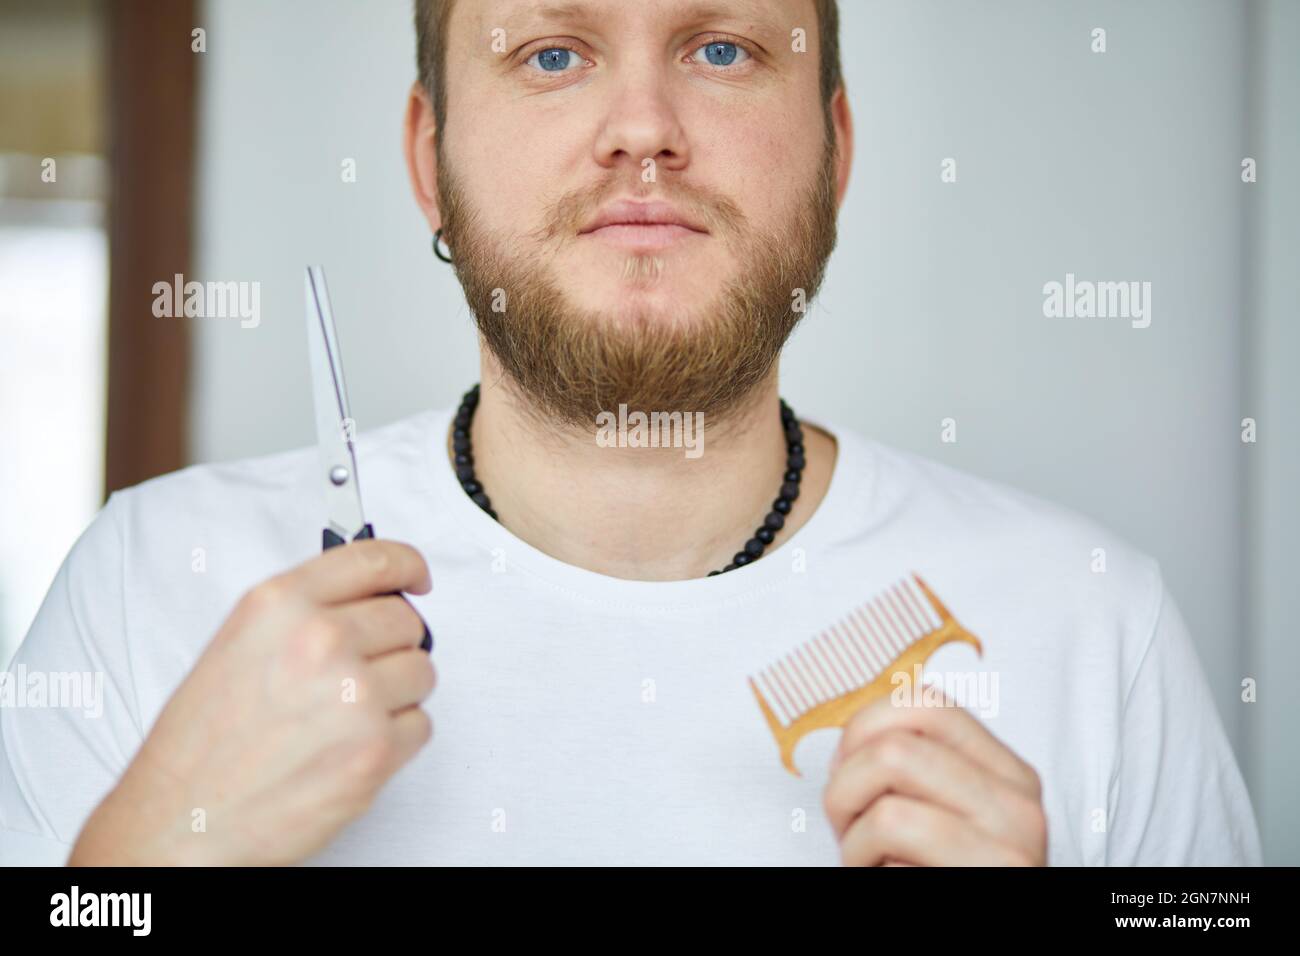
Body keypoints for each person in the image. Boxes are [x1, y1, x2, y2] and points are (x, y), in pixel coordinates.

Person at [0, 0, 1260, 866]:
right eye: (553, 52)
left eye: (719, 48)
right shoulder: (148, 585)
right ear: (429, 159)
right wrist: (163, 843)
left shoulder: (1099, 629)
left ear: (834, 148)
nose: (643, 126)